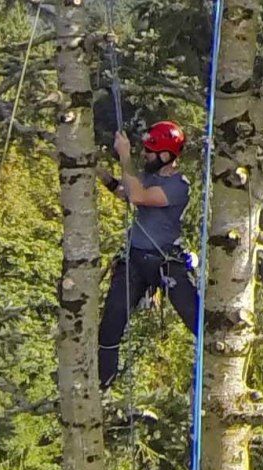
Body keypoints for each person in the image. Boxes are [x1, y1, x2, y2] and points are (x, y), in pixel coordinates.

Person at [97, 120, 196, 389]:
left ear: (166, 156)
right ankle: (102, 381)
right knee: (111, 320)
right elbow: (125, 191)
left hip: (164, 261)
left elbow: (138, 197)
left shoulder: (179, 186)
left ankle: (212, 362)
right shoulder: (148, 177)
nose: (145, 155)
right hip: (135, 259)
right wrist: (103, 174)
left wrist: (124, 155)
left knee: (193, 315)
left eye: (150, 152)